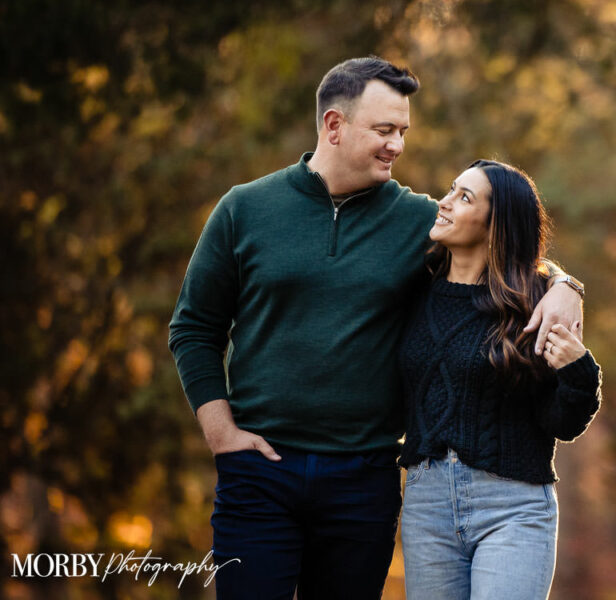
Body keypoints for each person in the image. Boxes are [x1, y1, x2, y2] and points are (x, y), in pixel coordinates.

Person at [168, 57, 584, 600]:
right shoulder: (244, 209)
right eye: (384, 130)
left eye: (403, 132)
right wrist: (221, 433)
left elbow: (503, 248)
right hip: (259, 470)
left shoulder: (418, 220)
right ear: (334, 126)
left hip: (363, 477)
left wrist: (566, 285)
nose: (397, 145)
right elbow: (194, 327)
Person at [397, 159, 602, 599]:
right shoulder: (412, 288)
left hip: (513, 508)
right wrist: (568, 280)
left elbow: (561, 423)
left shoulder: (535, 303)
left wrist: (578, 370)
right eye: (451, 189)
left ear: (496, 225)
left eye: (464, 197)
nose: (445, 202)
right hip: (425, 507)